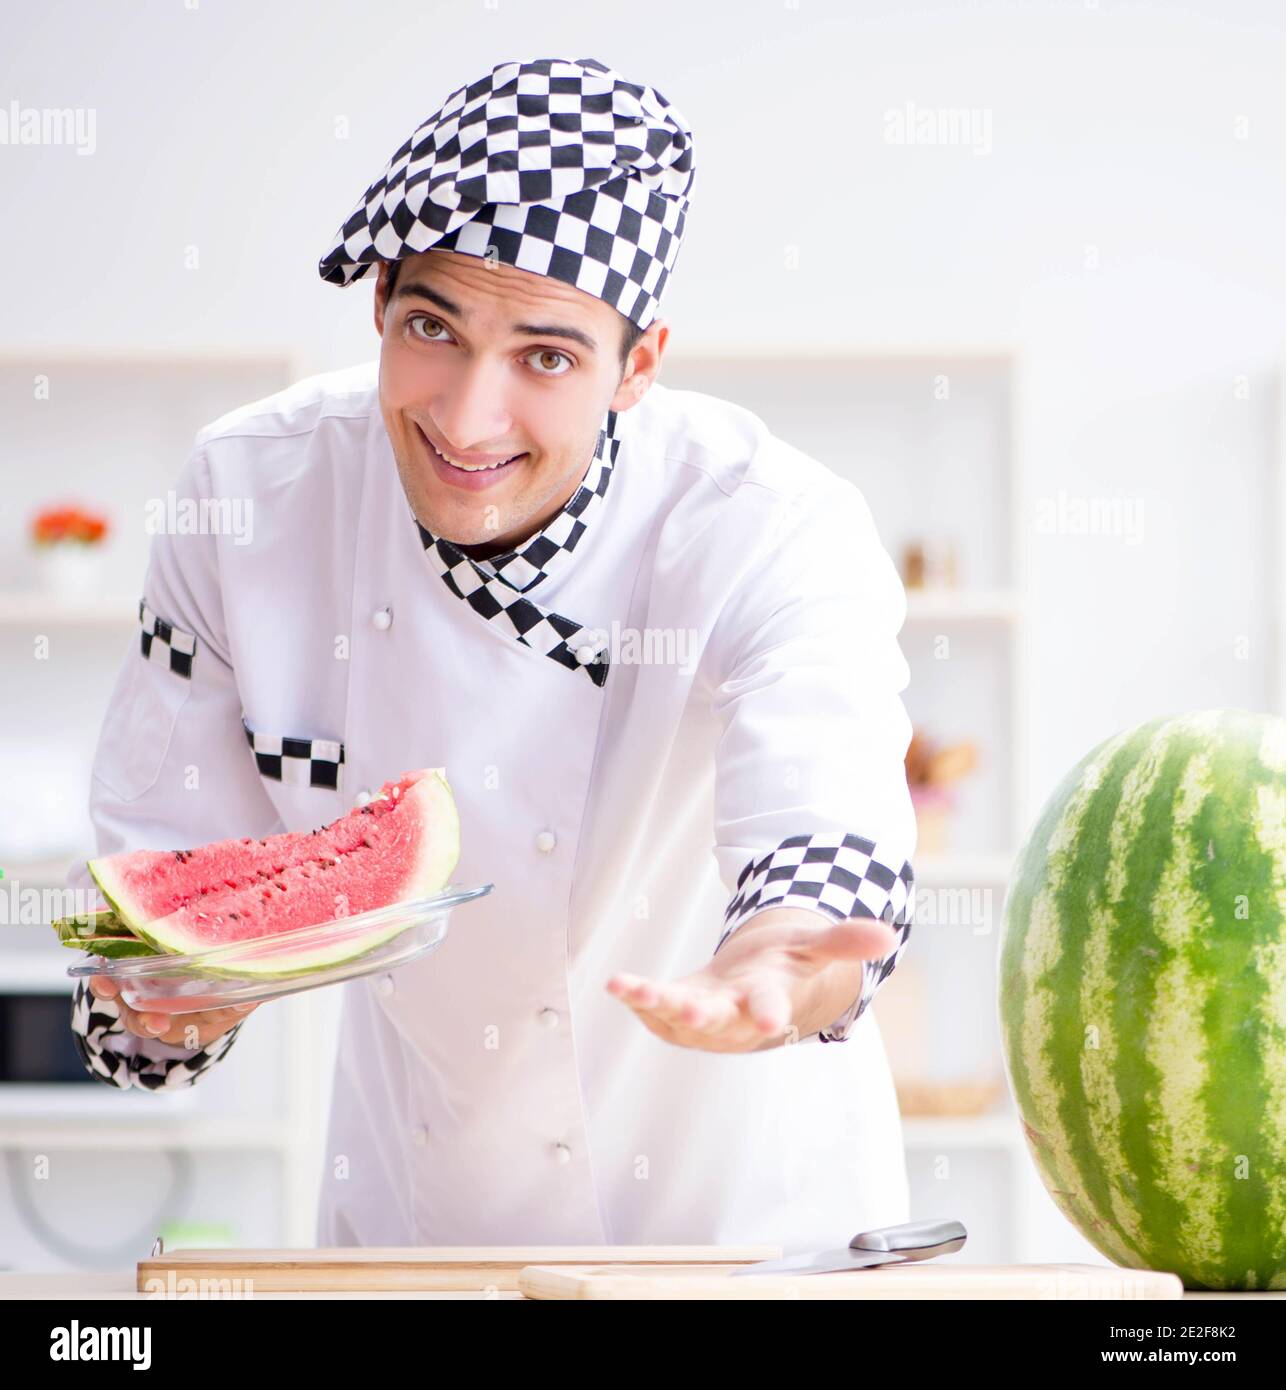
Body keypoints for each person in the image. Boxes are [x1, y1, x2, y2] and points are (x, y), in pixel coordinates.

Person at [68, 55, 918, 1251]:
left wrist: (782, 959)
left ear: (639, 364)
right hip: (416, 1231)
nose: (467, 418)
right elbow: (157, 884)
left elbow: (822, 811)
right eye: (432, 327)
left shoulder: (767, 521)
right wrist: (161, 1008)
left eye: (547, 356)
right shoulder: (247, 493)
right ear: (376, 303)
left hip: (741, 1231)